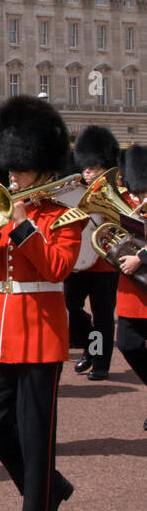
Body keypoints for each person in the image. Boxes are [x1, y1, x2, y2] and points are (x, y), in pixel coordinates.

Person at [0, 95, 84, 511]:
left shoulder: (65, 215)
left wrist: (24, 225)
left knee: (37, 437)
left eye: (20, 170)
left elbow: (56, 269)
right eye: (10, 169)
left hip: (40, 334)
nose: (11, 177)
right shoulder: (2, 210)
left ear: (43, 168)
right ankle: (48, 489)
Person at [66, 125, 120, 380]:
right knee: (69, 308)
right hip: (77, 262)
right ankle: (90, 346)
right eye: (85, 168)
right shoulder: (75, 191)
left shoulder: (117, 193)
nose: (87, 173)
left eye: (93, 168)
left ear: (104, 168)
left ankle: (100, 362)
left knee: (103, 317)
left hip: (104, 265)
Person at [111, 145, 147, 430]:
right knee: (127, 344)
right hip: (132, 292)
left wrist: (141, 257)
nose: (140, 196)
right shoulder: (131, 207)